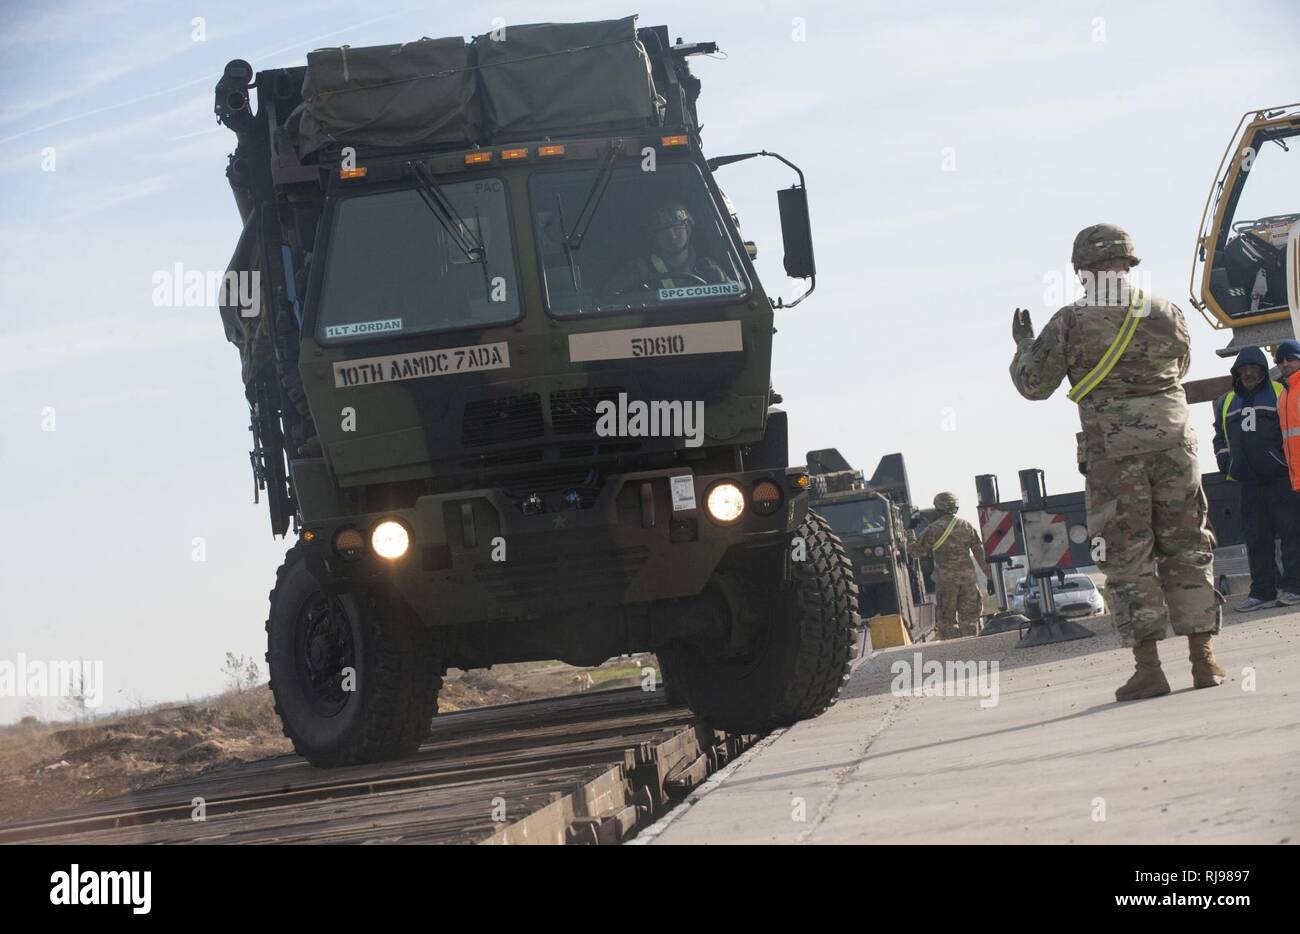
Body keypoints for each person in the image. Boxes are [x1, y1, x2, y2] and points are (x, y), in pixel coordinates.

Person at [1009, 223, 1224, 701]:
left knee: (1128, 557)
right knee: (1188, 545)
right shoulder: (1167, 311)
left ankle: (1150, 669)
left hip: (1114, 452)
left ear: (1082, 270)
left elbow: (1034, 386)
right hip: (1175, 444)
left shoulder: (1072, 321)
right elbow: (1180, 369)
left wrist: (1022, 346)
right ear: (1128, 264)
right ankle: (1203, 660)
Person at [1211, 347, 1300, 610]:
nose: (1249, 373)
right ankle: (1262, 592)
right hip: (1248, 483)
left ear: (1263, 370)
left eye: (1255, 368)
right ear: (1237, 372)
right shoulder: (1226, 401)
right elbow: (1219, 437)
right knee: (1256, 539)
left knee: (1292, 535)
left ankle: (1293, 588)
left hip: (1280, 478)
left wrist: (1282, 462)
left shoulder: (1279, 392)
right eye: (1244, 369)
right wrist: (1225, 461)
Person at [604, 202, 729, 295]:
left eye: (677, 228)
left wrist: (722, 284)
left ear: (688, 230)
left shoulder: (708, 266)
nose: (672, 236)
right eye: (664, 231)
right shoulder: (638, 270)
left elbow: (736, 294)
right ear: (655, 238)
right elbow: (608, 298)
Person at [914, 492, 992, 639]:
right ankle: (972, 648)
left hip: (946, 582)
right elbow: (980, 554)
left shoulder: (933, 529)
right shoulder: (966, 526)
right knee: (970, 619)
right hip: (967, 580)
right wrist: (991, 577)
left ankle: (955, 650)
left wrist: (910, 531)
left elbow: (915, 552)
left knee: (947, 620)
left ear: (937, 507)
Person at [1274, 340, 1300, 492]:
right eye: (1280, 361)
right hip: (1296, 479)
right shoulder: (1283, 396)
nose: (1285, 364)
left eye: (1290, 359)